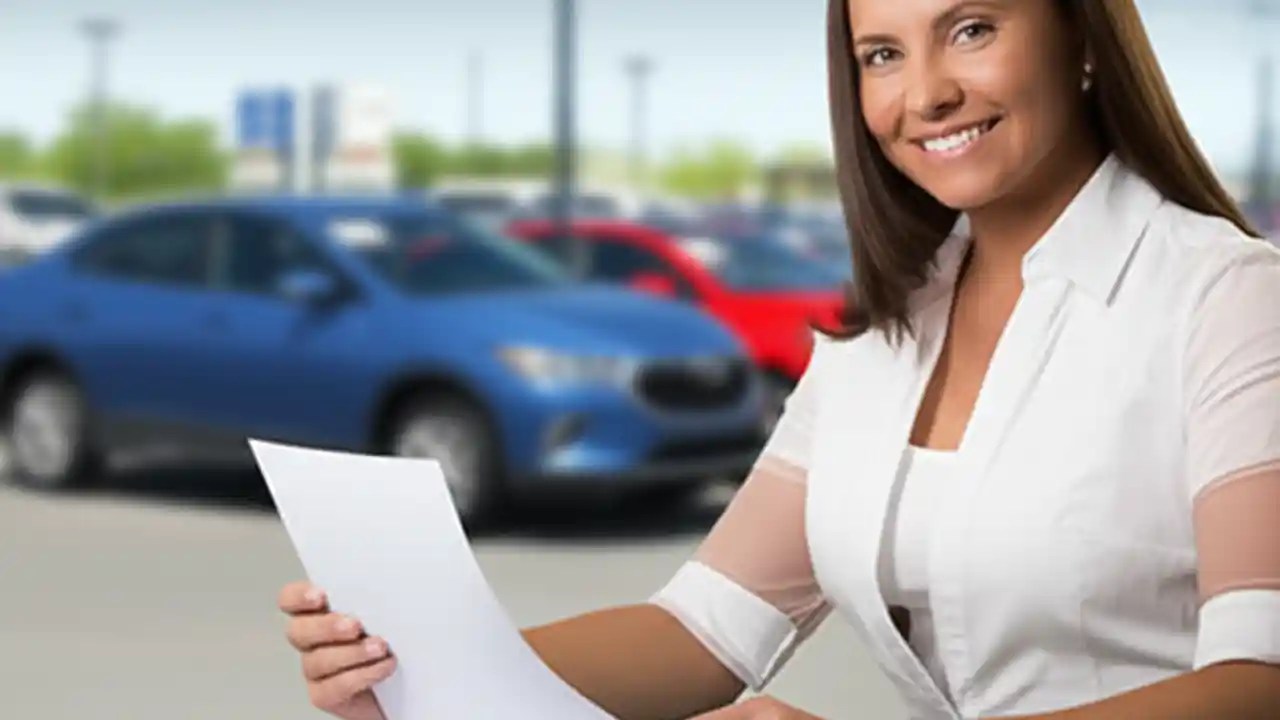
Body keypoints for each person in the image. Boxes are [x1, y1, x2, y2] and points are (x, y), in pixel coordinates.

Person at [277, 0, 1280, 717]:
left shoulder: (1224, 296)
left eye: (969, 30)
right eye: (878, 53)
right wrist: (431, 675)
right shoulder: (878, 333)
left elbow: (1258, 680)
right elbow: (707, 628)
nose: (924, 93)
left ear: (1080, 39)